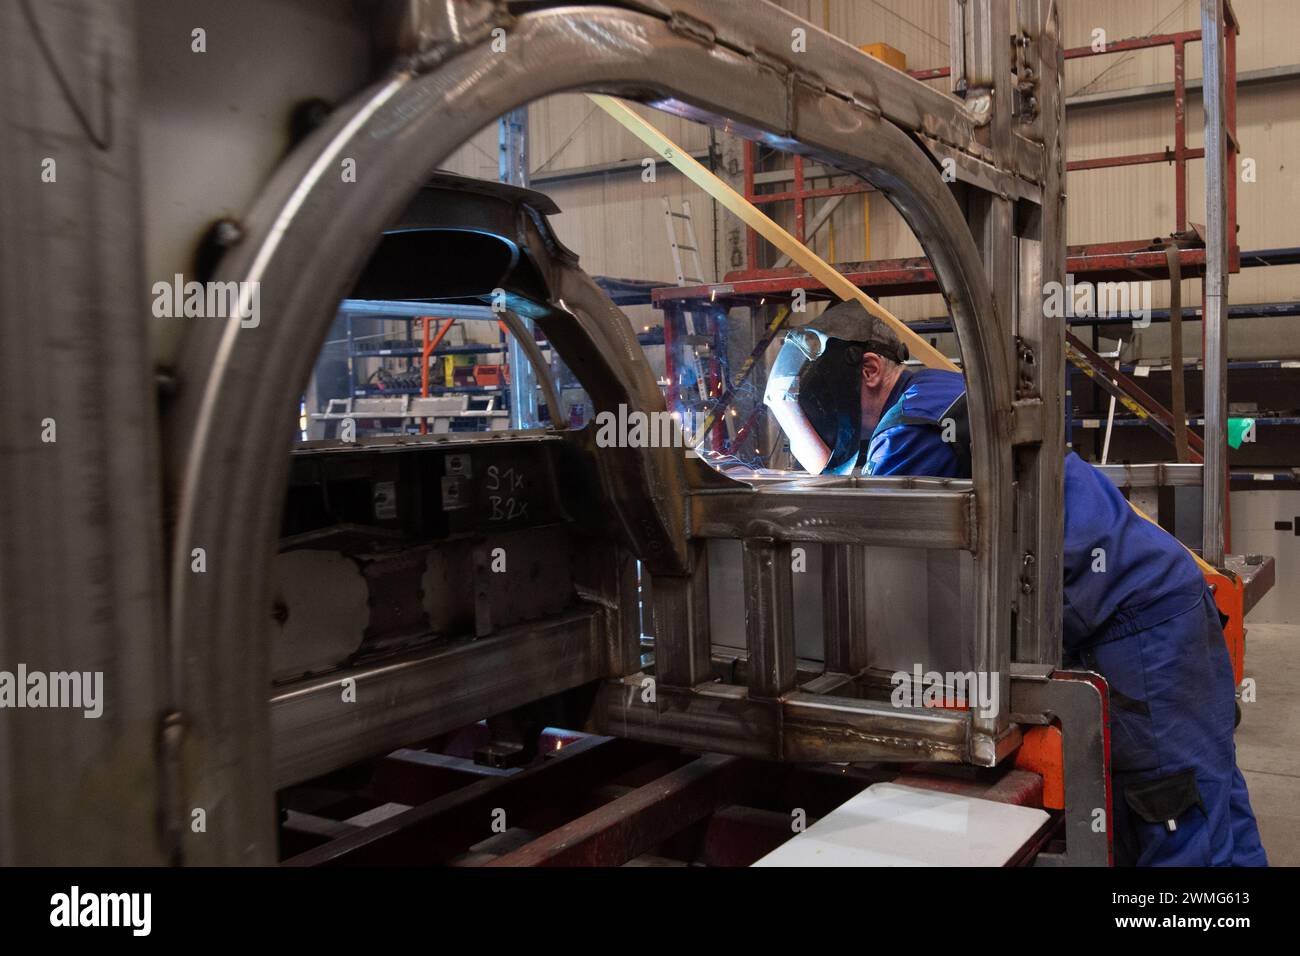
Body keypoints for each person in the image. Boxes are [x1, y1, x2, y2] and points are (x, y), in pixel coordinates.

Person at [763, 300, 1267, 867]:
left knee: (1171, 812)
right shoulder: (936, 392)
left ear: (871, 370)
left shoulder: (909, 431)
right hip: (1157, 605)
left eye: (821, 406)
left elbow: (867, 532)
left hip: (1140, 627)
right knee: (1211, 799)